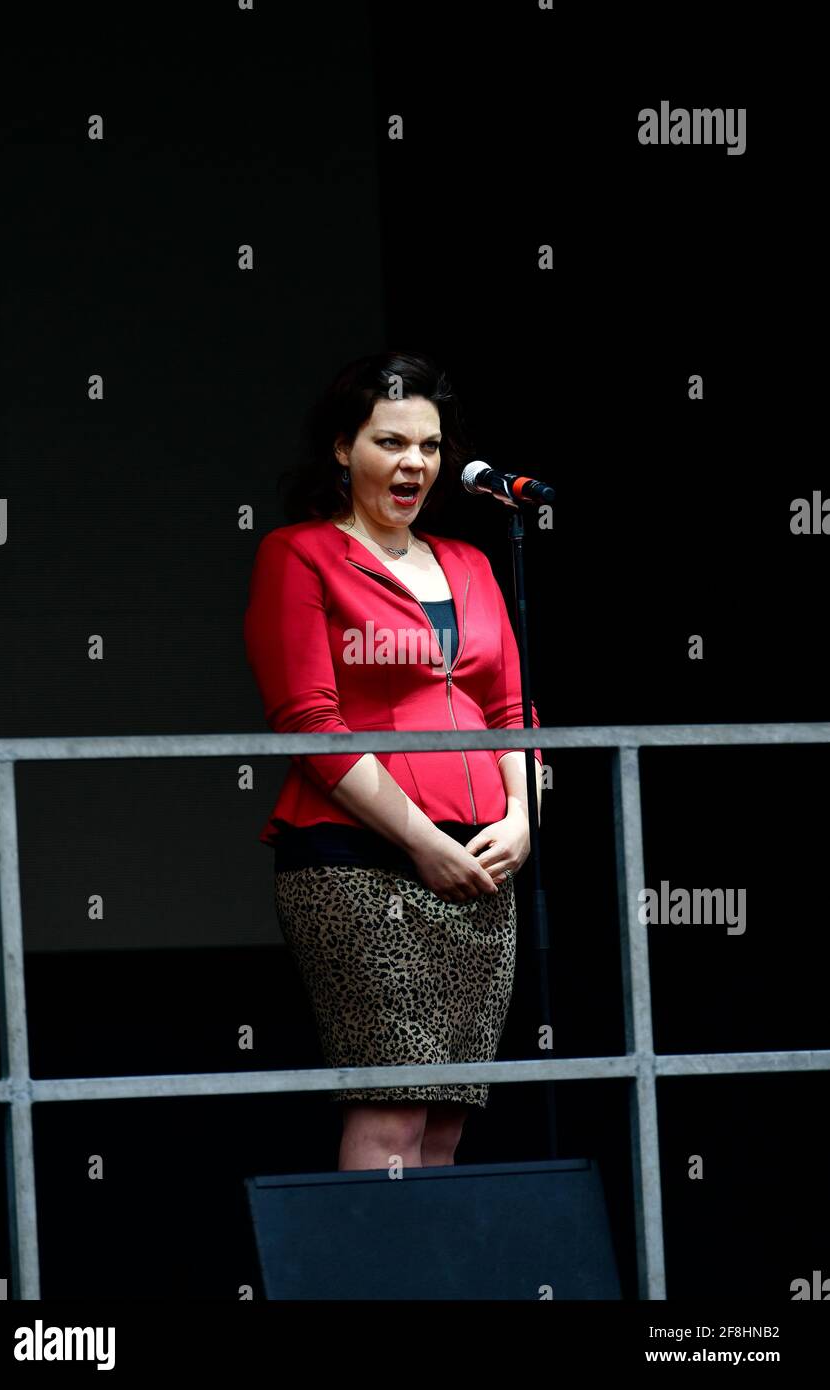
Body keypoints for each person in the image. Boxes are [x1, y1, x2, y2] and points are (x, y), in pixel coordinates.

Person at [243, 349, 543, 1172]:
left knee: (445, 1123)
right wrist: (422, 842)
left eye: (430, 446)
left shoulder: (472, 562)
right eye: (389, 442)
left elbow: (512, 710)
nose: (414, 462)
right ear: (344, 449)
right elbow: (310, 721)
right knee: (393, 1113)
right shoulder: (298, 553)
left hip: (484, 863)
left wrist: (522, 819)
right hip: (360, 864)